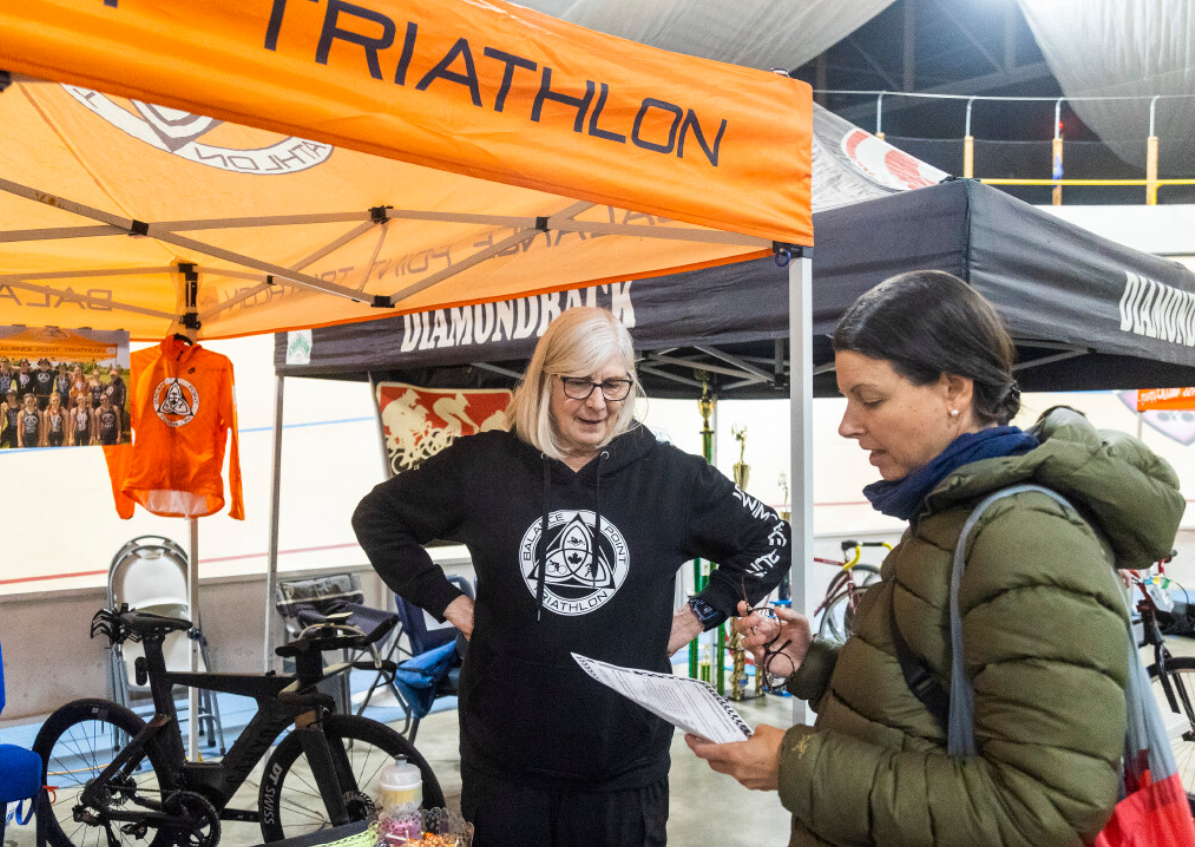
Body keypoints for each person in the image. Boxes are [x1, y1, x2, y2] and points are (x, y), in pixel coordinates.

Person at [686, 270, 1185, 846]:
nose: (848, 425)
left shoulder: (1024, 535)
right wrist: (815, 667)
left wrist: (795, 765)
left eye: (869, 398)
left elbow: (1040, 806)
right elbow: (932, 709)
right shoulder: (951, 512)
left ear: (955, 389)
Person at [353, 307, 791, 847]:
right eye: (579, 382)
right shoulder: (484, 466)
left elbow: (771, 536)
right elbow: (377, 518)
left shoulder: (671, 477)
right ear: (544, 380)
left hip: (622, 769)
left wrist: (700, 614)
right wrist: (448, 602)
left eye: (613, 384)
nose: (597, 401)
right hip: (505, 765)